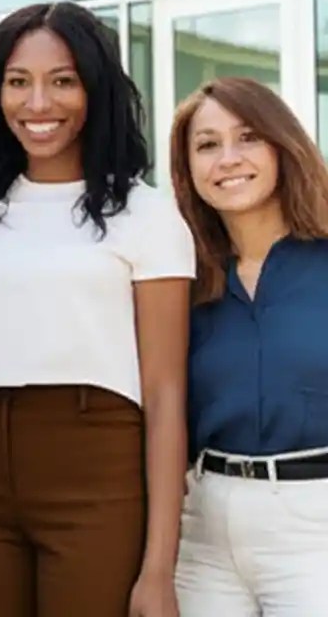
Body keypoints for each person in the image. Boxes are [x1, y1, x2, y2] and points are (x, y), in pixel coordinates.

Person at [0, 2, 193, 617]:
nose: (37, 103)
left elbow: (166, 392)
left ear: (96, 90)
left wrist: (158, 568)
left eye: (62, 80)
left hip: (98, 470)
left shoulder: (147, 216)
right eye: (18, 82)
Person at [168, 77, 328, 615]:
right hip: (204, 528)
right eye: (207, 145)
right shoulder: (178, 279)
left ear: (283, 146)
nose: (228, 159)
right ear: (187, 168)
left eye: (248, 138)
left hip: (315, 526)